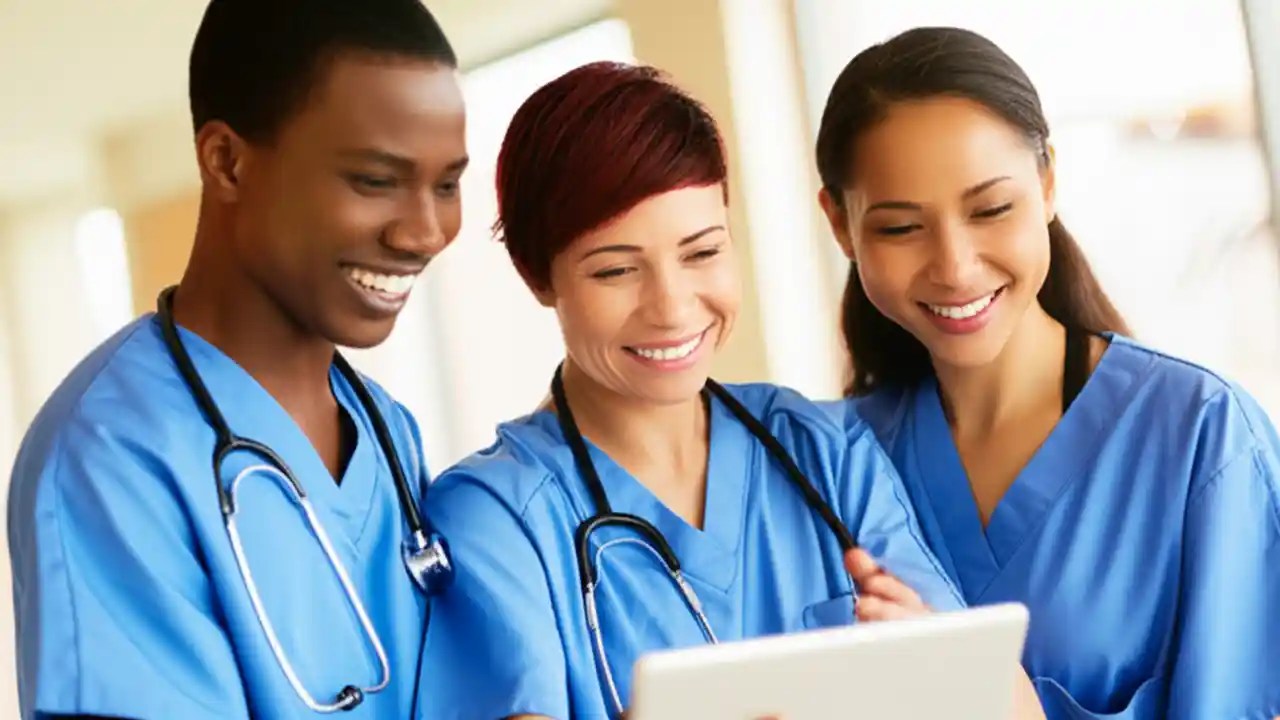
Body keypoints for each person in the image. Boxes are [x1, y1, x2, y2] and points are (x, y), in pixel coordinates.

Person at [415, 60, 1048, 720]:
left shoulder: (823, 451)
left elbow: (1012, 708)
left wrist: (940, 670)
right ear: (538, 276)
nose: (672, 307)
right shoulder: (498, 516)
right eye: (616, 270)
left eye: (701, 253)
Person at [6, 1, 468, 717]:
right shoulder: (111, 453)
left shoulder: (386, 430)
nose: (425, 231)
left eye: (446, 184)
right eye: (374, 180)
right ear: (226, 161)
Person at [814, 26, 1280, 720]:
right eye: (901, 228)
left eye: (991, 209)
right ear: (841, 225)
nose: (955, 265)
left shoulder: (1202, 439)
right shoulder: (831, 462)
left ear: (1048, 183)